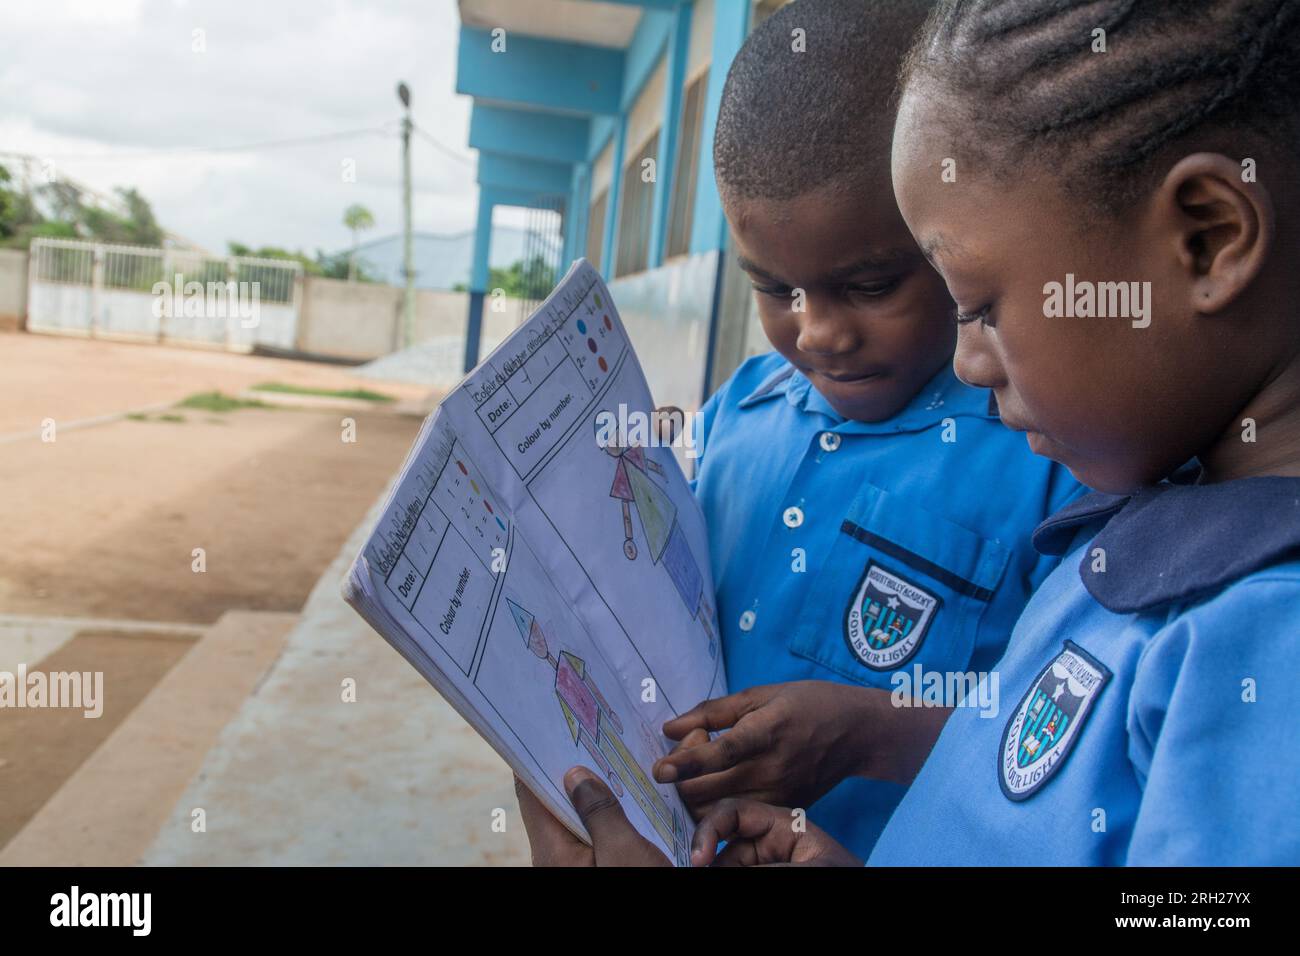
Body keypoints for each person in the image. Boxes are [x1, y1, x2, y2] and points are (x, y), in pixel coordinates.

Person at [522, 0, 1300, 867]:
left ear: (1208, 237)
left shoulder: (1255, 631)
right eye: (775, 291)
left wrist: (869, 735)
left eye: (978, 305)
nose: (968, 362)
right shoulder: (1143, 533)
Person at [644, 0, 1083, 859]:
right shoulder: (741, 410)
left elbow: (1077, 739)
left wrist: (872, 730)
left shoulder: (1050, 452)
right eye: (775, 290)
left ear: (951, 243)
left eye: (871, 284)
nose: (816, 333)